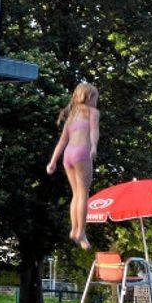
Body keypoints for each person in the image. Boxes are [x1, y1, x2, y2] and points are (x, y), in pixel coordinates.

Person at [46, 82, 100, 251]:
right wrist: (93, 146)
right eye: (96, 98)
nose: (97, 102)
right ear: (90, 97)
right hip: (82, 153)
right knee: (84, 194)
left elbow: (62, 141)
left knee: (76, 194)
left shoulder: (72, 116)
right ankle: (81, 231)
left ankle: (74, 229)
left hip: (68, 155)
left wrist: (53, 161)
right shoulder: (93, 112)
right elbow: (94, 131)